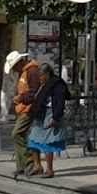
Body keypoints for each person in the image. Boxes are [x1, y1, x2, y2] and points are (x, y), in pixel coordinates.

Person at [25, 64, 70, 178]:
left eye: (41, 76)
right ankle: (37, 166)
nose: (39, 78)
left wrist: (55, 118)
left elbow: (60, 103)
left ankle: (49, 170)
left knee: (47, 143)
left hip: (51, 114)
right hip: (41, 115)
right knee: (33, 140)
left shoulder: (58, 85)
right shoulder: (44, 86)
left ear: (47, 74)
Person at [7, 50, 42, 178]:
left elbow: (34, 91)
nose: (14, 70)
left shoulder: (32, 71)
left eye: (14, 67)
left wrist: (22, 98)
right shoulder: (24, 72)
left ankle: (30, 162)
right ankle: (21, 165)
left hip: (29, 109)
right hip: (23, 109)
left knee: (16, 133)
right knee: (19, 134)